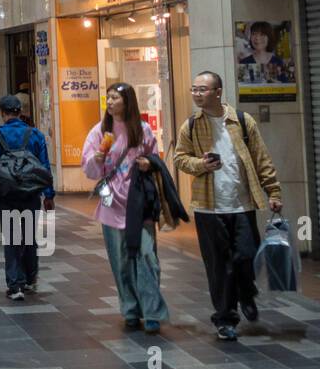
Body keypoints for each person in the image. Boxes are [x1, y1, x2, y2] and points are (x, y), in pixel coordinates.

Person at [173, 71, 283, 342]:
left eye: (203, 89)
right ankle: (225, 319)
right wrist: (201, 164)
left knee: (246, 256)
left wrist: (273, 191)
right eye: (194, 89)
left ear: (218, 91)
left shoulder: (243, 122)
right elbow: (179, 158)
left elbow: (261, 158)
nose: (197, 94)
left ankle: (246, 292)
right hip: (208, 208)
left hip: (242, 204)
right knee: (219, 267)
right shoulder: (190, 125)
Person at [82, 82, 167, 333]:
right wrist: (96, 159)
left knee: (147, 255)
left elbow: (155, 160)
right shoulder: (99, 131)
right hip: (111, 200)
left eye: (114, 98)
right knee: (120, 260)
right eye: (107, 98)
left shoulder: (142, 130)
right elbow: (89, 168)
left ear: (127, 102)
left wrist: (147, 163)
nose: (109, 103)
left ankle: (152, 311)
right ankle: (130, 309)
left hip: (139, 199)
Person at [0, 95, 53, 301]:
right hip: (31, 193)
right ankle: (30, 279)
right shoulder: (35, 135)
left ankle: (15, 285)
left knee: (12, 238)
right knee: (29, 236)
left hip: (7, 194)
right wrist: (48, 195)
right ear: (20, 111)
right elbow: (44, 166)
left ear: (2, 113)